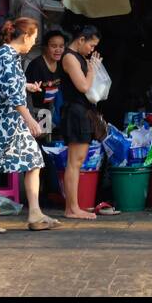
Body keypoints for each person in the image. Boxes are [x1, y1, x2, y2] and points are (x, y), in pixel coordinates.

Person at [0, 18, 58, 234]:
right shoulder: (6, 57)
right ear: (25, 36)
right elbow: (12, 95)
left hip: (12, 124)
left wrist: (27, 85)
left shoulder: (8, 56)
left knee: (34, 161)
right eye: (34, 38)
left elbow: (7, 84)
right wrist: (30, 120)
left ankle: (35, 214)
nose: (34, 43)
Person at [59, 25, 102, 220]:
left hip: (82, 111)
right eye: (91, 45)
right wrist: (92, 68)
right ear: (81, 39)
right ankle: (72, 208)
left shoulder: (79, 58)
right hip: (75, 112)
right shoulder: (69, 57)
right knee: (74, 163)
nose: (92, 49)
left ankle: (73, 207)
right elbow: (84, 86)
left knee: (77, 161)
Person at [26, 29, 67, 136]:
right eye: (54, 46)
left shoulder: (62, 64)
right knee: (37, 140)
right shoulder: (37, 65)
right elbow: (27, 94)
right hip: (34, 111)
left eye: (61, 46)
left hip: (50, 109)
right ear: (45, 47)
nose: (58, 50)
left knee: (47, 141)